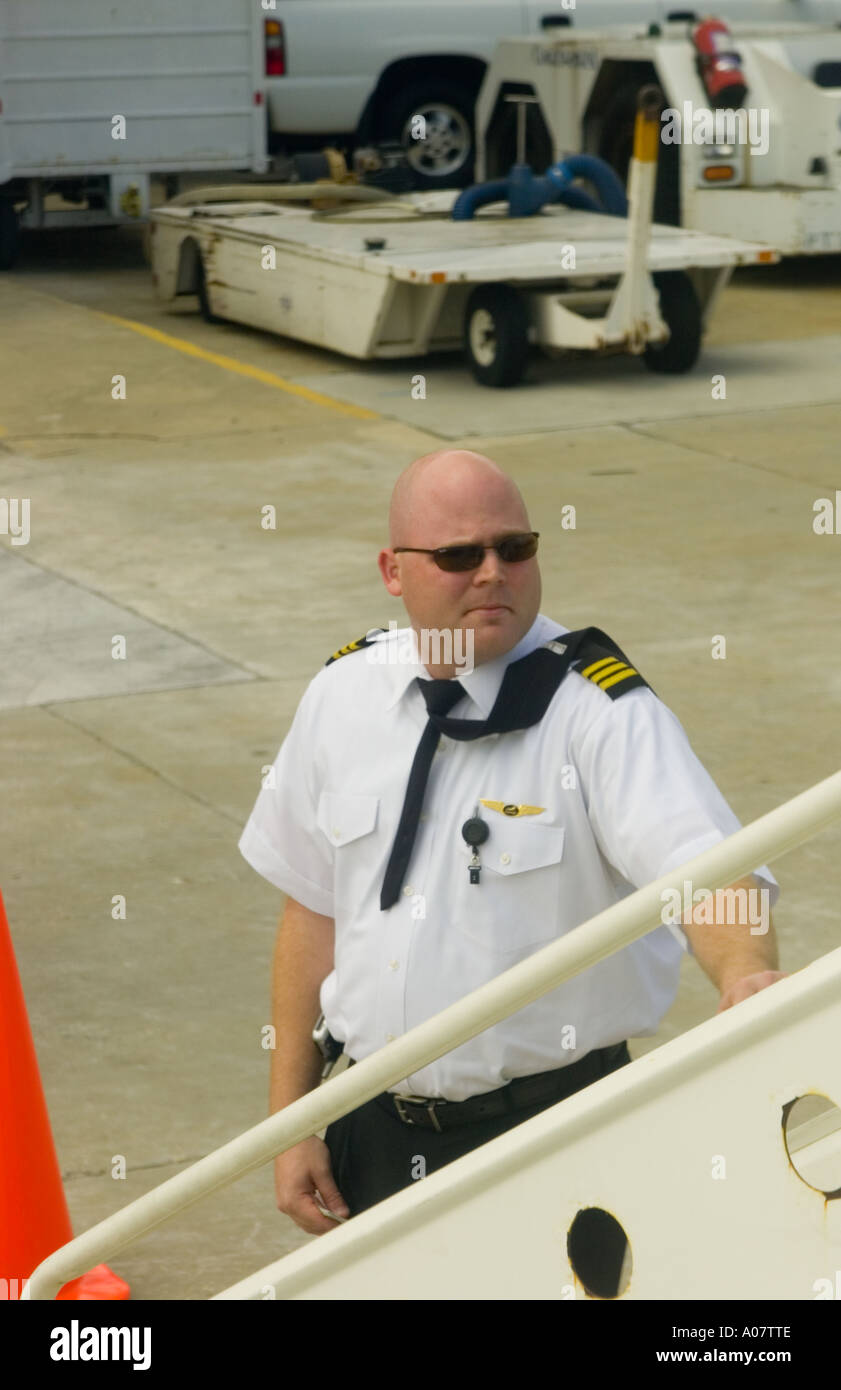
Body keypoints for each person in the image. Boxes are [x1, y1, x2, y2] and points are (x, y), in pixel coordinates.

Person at [238, 448, 785, 1278]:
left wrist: (743, 973)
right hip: (373, 1139)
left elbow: (707, 870)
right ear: (393, 571)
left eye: (515, 548)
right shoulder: (342, 696)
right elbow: (313, 912)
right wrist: (292, 1122)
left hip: (555, 1134)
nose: (492, 573)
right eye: (460, 555)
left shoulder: (596, 712)